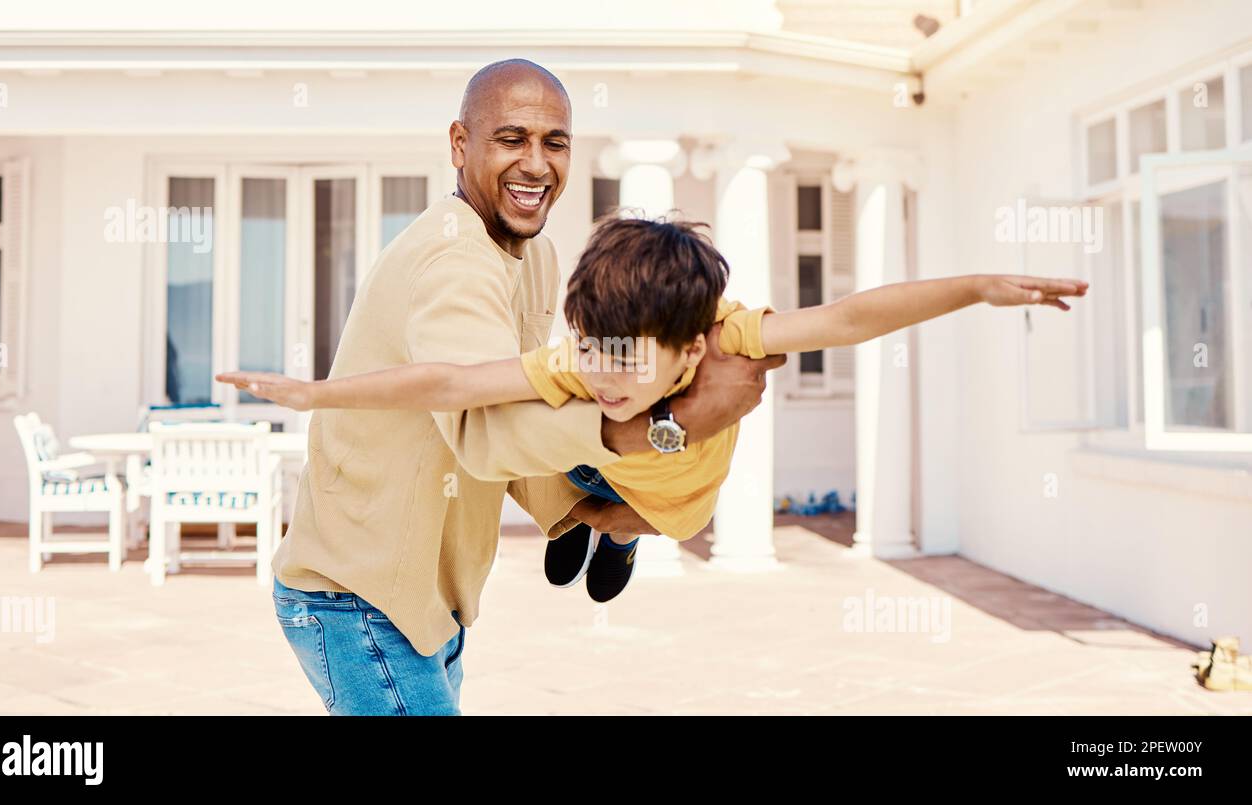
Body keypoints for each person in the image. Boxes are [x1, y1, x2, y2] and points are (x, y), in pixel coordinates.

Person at [247, 58, 784, 716]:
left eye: (553, 142)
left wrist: (581, 509)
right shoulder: (455, 260)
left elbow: (528, 394)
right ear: (459, 144)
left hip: (426, 599)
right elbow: (485, 429)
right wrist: (672, 427)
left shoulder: (534, 255)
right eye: (511, 139)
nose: (536, 163)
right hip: (359, 598)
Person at [221, 214, 1088, 608]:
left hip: (668, 497)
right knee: (526, 446)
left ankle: (612, 536)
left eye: (628, 359)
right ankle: (570, 523)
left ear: (690, 348)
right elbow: (446, 381)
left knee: (628, 516)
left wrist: (978, 287)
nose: (602, 373)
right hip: (591, 458)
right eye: (589, 346)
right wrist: (316, 392)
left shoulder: (734, 337)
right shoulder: (583, 360)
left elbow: (854, 316)